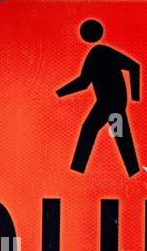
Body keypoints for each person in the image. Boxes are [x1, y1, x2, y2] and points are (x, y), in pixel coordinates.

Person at [56, 19, 142, 176]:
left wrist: (136, 97)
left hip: (112, 103)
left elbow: (134, 66)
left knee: (97, 130)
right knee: (114, 134)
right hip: (108, 103)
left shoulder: (101, 52)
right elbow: (84, 82)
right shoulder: (96, 54)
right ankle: (132, 171)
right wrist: (59, 93)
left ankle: (78, 170)